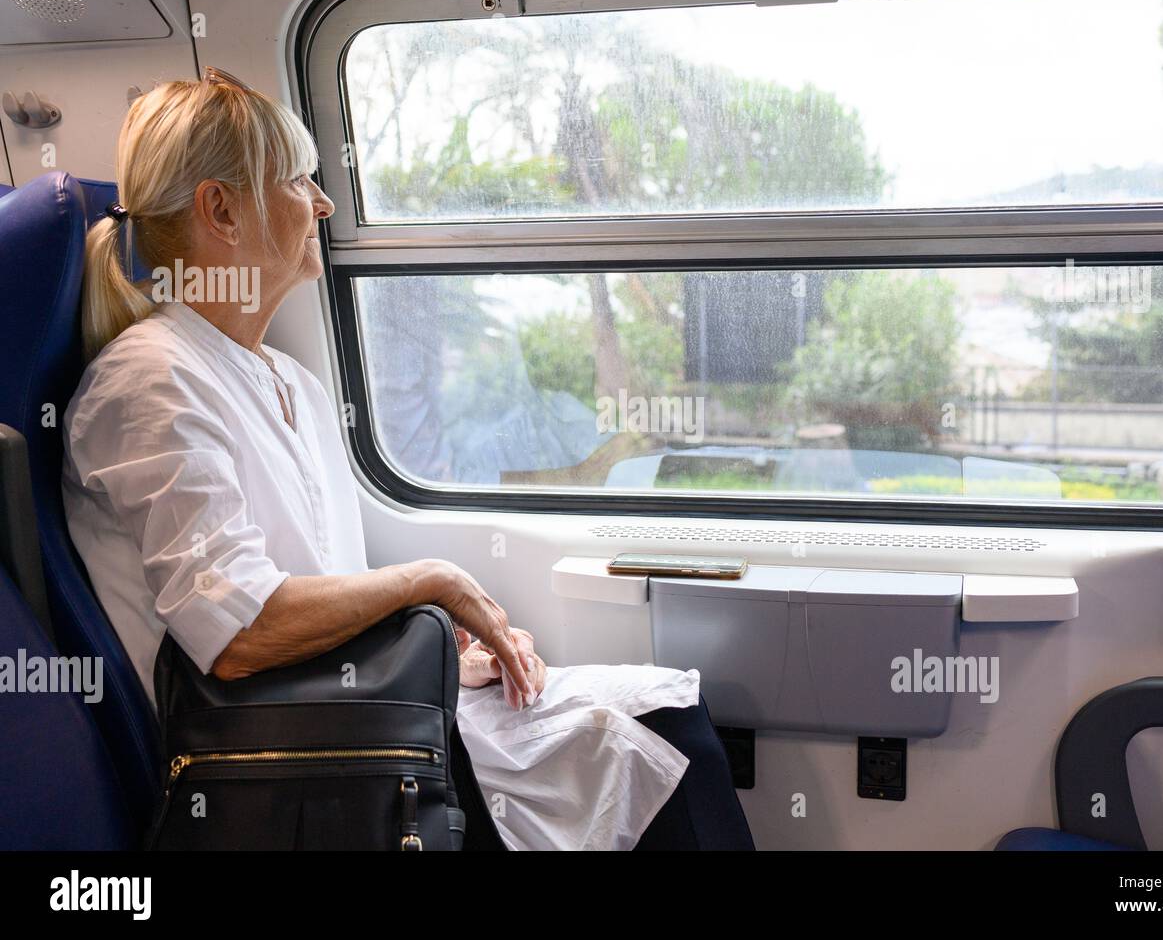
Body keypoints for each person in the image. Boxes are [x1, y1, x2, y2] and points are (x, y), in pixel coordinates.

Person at [62, 67, 753, 851]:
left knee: (669, 713)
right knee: (664, 743)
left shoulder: (283, 379)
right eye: (297, 179)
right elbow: (240, 631)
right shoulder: (148, 384)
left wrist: (445, 649)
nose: (322, 204)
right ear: (221, 209)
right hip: (279, 760)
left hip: (339, 708)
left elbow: (311, 589)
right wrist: (433, 583)